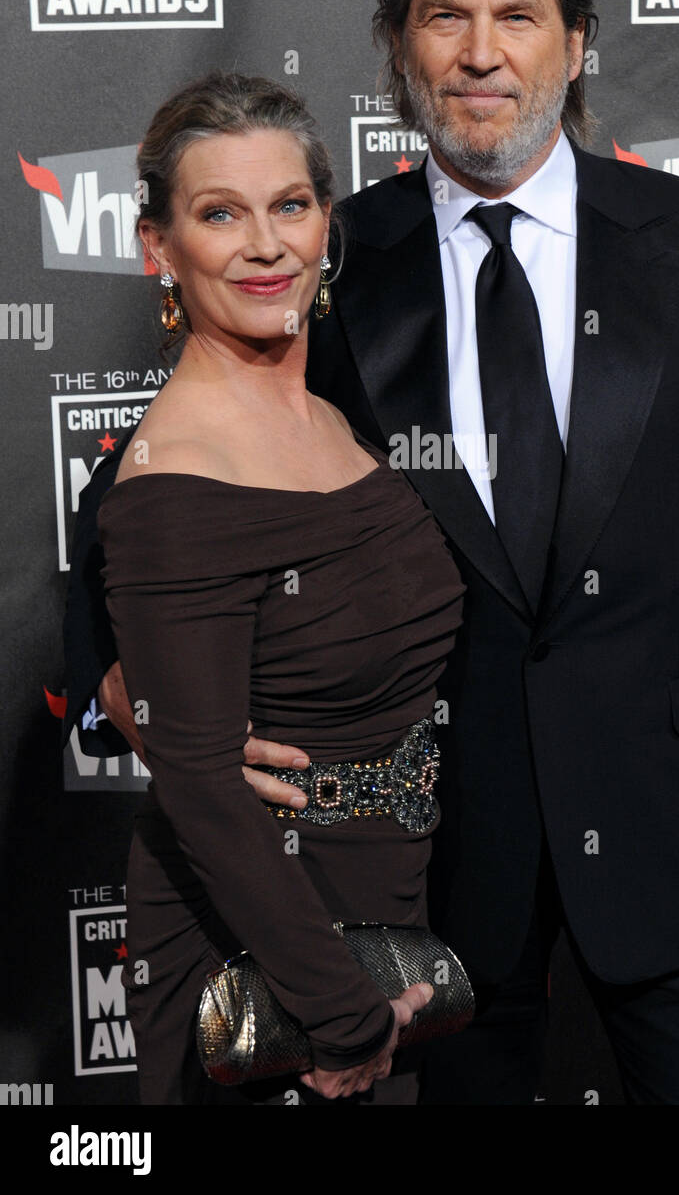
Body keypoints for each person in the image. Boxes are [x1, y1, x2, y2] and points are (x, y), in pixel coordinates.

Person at [65, 0, 679, 1106]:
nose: (481, 55)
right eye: (445, 18)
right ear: (398, 43)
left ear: (577, 39)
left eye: (516, 17)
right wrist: (120, 684)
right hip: (425, 873)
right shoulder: (333, 255)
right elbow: (166, 471)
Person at [80, 72, 465, 1105]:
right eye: (219, 214)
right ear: (155, 245)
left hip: (383, 916)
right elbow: (203, 788)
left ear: (325, 221)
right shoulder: (174, 477)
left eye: (289, 206)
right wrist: (338, 1012)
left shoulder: (337, 419)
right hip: (257, 958)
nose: (264, 245)